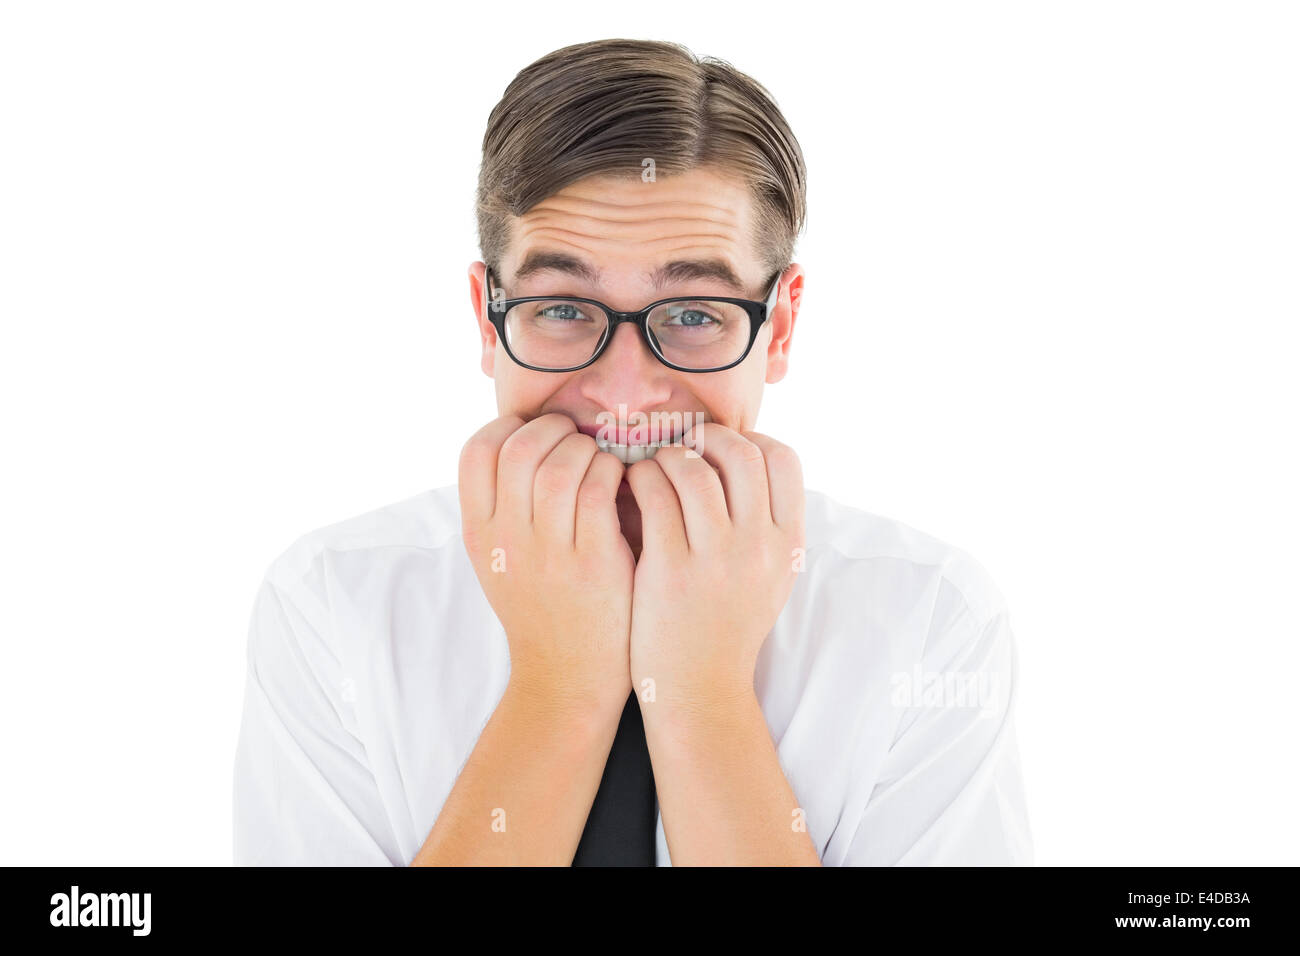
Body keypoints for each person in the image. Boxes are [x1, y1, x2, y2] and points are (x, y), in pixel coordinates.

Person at [232, 38, 1034, 866]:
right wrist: (560, 689)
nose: (623, 394)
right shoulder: (333, 606)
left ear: (780, 328)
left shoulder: (929, 620)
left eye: (692, 315)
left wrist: (702, 697)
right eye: (563, 309)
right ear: (486, 319)